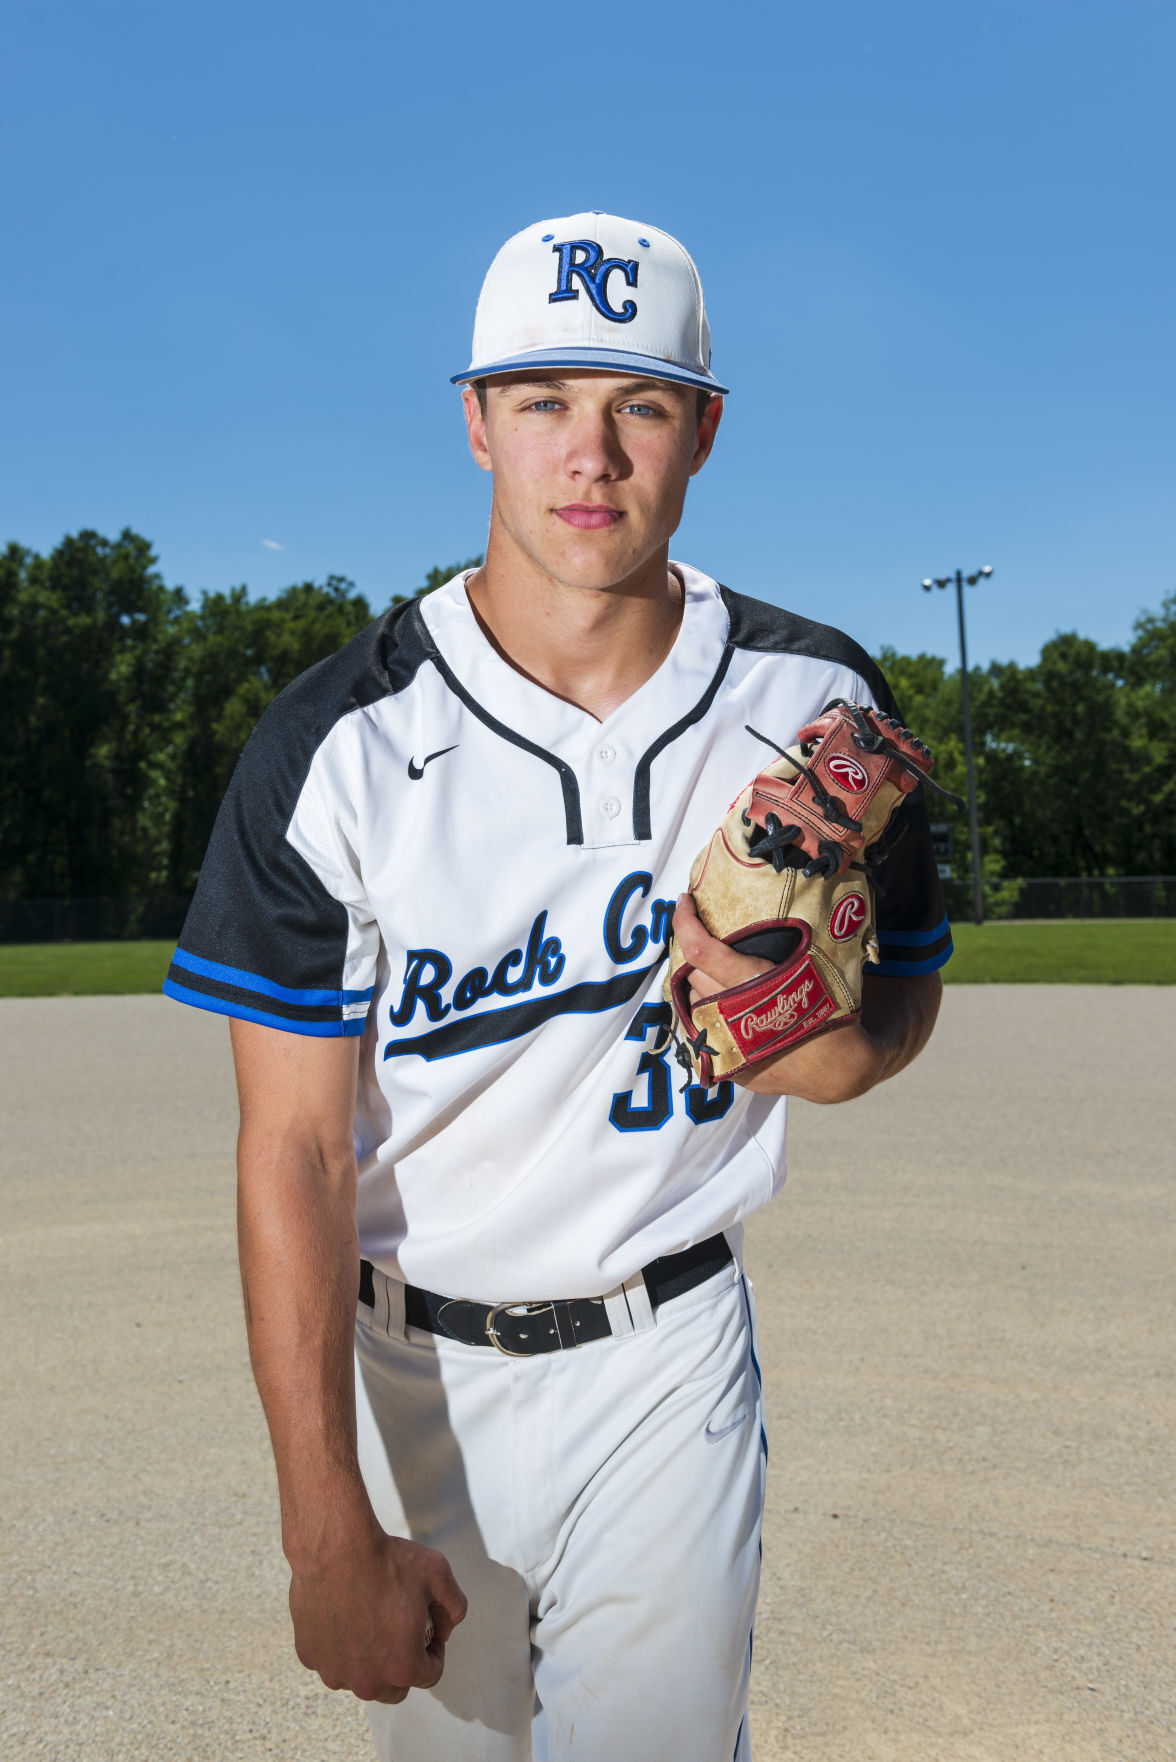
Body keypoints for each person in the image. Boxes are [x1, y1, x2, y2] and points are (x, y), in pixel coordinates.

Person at [164, 211, 951, 1761]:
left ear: (704, 430)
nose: (589, 455)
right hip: (416, 1380)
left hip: (668, 1350)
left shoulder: (814, 700)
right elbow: (295, 1150)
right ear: (475, 423)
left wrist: (837, 1056)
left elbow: (908, 989)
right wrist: (324, 1531)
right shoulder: (341, 745)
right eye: (543, 402)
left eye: (638, 405)